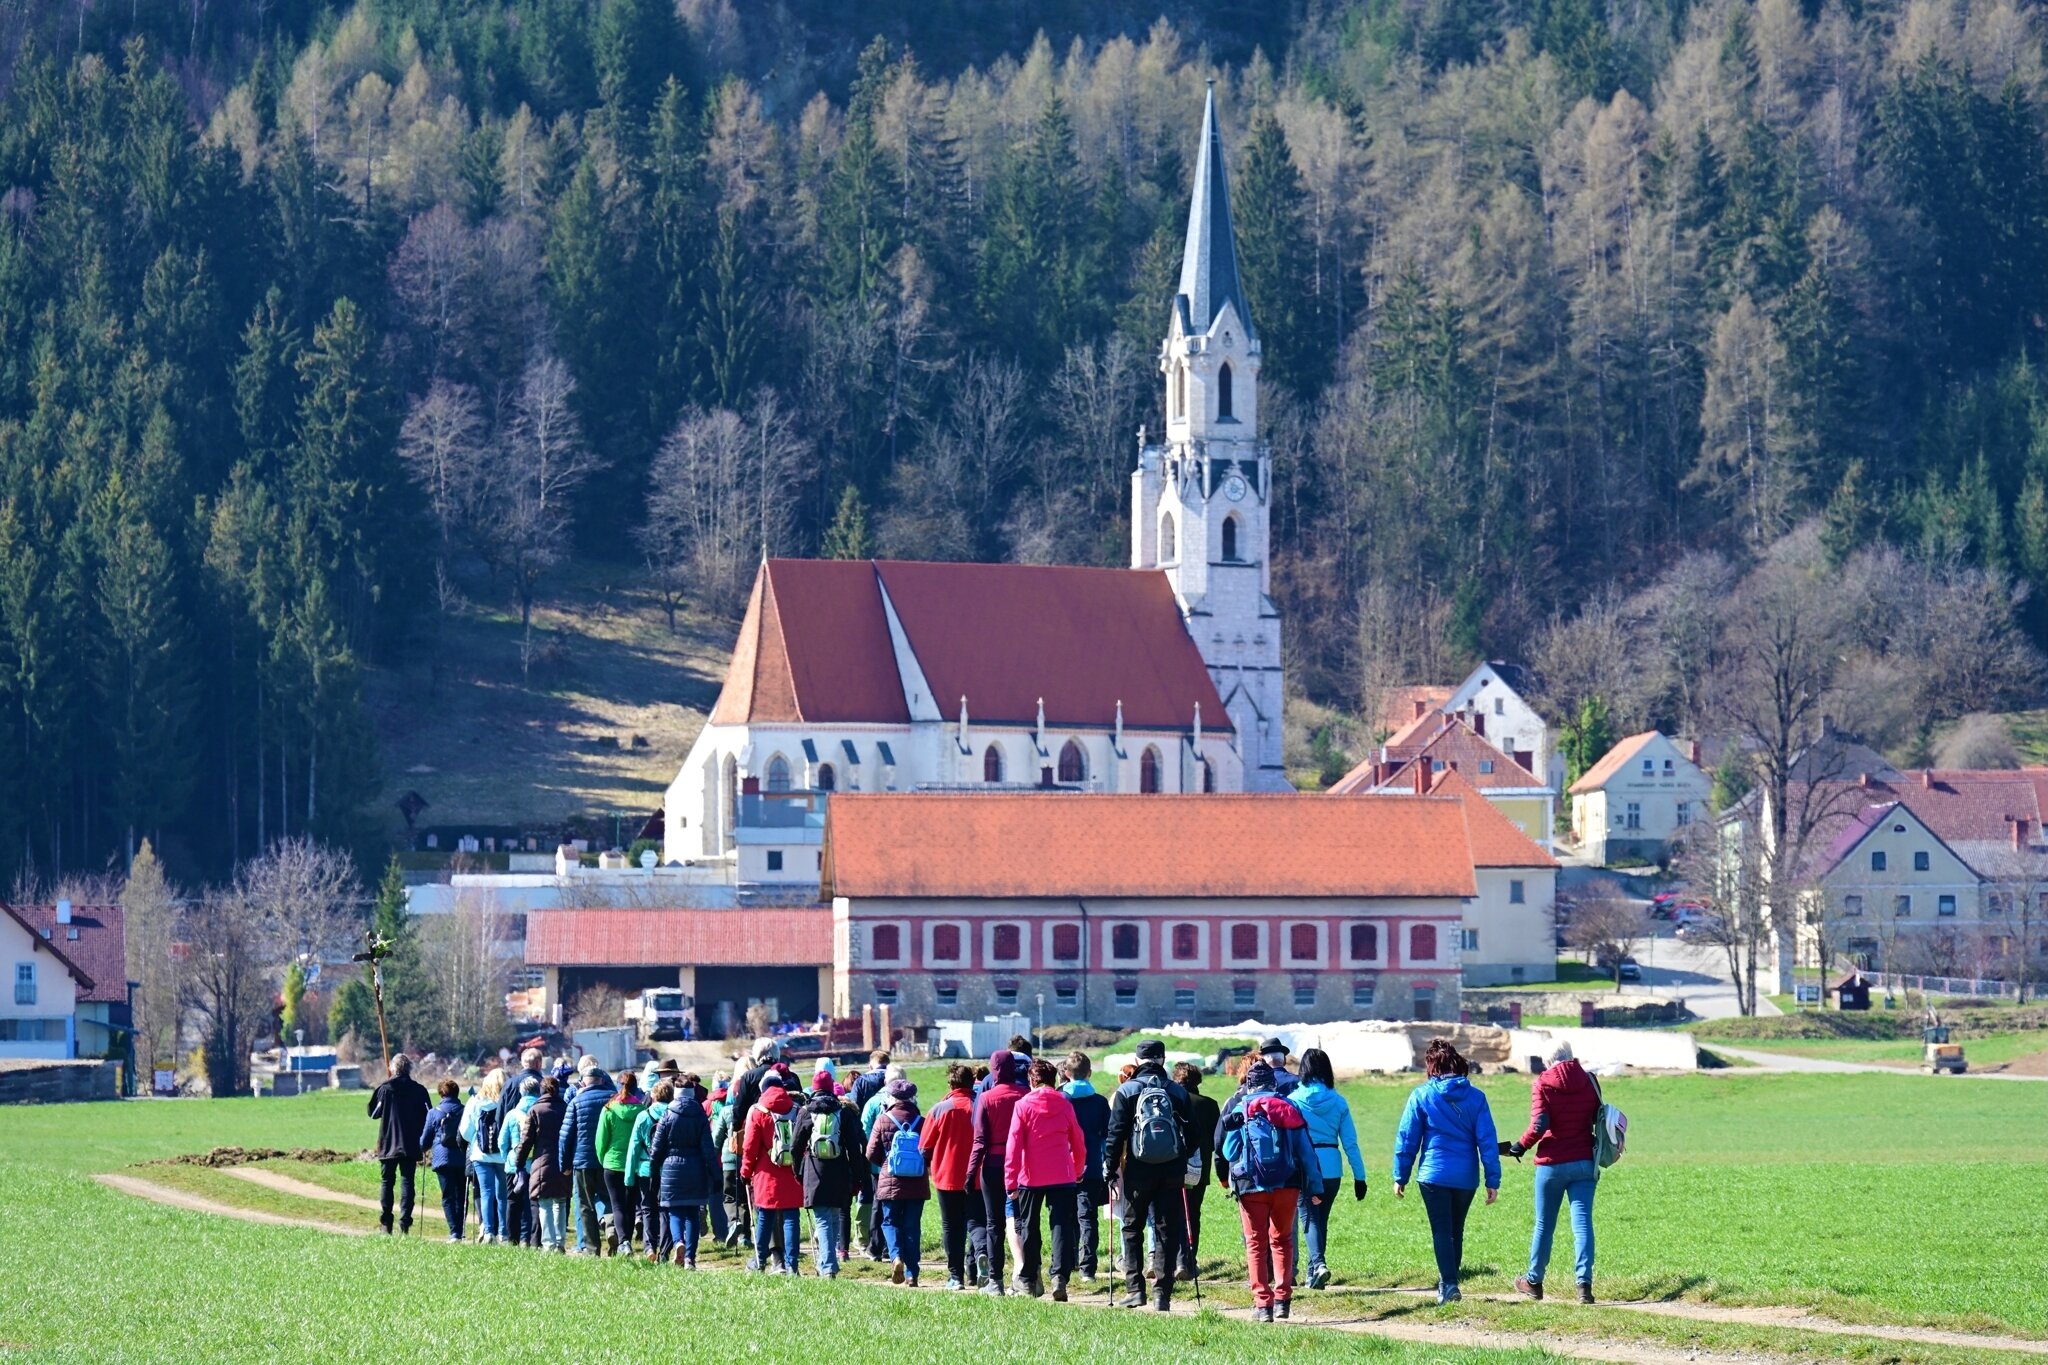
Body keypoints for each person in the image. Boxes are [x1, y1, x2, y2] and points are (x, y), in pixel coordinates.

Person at [1393, 1040, 1501, 1304]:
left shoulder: (1421, 1095)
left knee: (1442, 1230)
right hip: (1465, 1176)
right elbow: (1487, 1140)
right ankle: (1448, 1283)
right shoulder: (1477, 1097)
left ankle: (1449, 1284)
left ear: (1432, 1067)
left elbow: (1407, 1138)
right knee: (1457, 1229)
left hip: (1433, 1175)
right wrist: (1492, 1179)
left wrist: (1401, 1175)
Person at [1217, 1059, 1321, 1321]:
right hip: (1287, 1184)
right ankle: (1283, 1299)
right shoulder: (1289, 1106)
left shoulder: (1242, 1107)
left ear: (1249, 1084)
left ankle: (1263, 1305)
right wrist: (1316, 1186)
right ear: (1273, 1083)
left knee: (1255, 1244)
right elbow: (1306, 1152)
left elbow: (1229, 1151)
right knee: (1282, 1240)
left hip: (1251, 1186)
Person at [1510, 1041, 1601, 1305]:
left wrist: (1521, 1146)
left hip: (1551, 1163)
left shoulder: (1542, 1083)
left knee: (1543, 1225)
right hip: (1584, 1160)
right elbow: (1597, 1116)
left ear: (1549, 1060)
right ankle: (1584, 1286)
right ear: (1571, 1056)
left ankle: (1534, 1281)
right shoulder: (1590, 1080)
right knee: (1582, 1225)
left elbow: (1539, 1124)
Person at [1105, 1040, 1192, 1312]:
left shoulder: (1126, 1090)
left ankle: (1134, 1290)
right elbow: (1194, 1133)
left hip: (1138, 1169)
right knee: (1167, 1229)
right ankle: (1162, 1295)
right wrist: (1180, 1157)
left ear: (1137, 1059)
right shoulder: (1177, 1091)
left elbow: (1115, 1134)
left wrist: (1110, 1167)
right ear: (1163, 1059)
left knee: (1132, 1227)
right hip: (1171, 1169)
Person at [1006, 1057, 1086, 1301]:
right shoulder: (1064, 1103)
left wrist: (1010, 1181)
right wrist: (1078, 1169)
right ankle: (1059, 1277)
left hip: (1031, 1176)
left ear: (1032, 1080)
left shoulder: (1023, 1105)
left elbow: (1014, 1145)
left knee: (1030, 1226)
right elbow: (1078, 1140)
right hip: (1062, 1174)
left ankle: (1030, 1277)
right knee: (1060, 1225)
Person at [1290, 1047, 1367, 1289]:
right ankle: (1314, 1275)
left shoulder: (1293, 1101)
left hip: (1305, 1166)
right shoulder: (1339, 1101)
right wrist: (1360, 1177)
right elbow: (1351, 1143)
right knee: (1321, 1219)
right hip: (1332, 1167)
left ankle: (1319, 1264)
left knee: (1309, 1218)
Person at [966, 1049, 1028, 1294]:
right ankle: (1027, 1275)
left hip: (993, 1163)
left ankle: (996, 1280)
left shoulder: (987, 1098)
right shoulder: (1025, 1094)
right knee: (1023, 1221)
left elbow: (979, 1140)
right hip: (1022, 1165)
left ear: (993, 1070)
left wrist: (971, 1173)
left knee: (994, 1224)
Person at [920, 1062, 983, 1290]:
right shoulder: (980, 1106)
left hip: (946, 1176)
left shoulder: (938, 1109)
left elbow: (924, 1146)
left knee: (951, 1226)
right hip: (977, 1176)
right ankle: (978, 1266)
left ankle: (955, 1275)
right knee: (977, 1222)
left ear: (950, 1083)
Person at [649, 1075, 720, 1268]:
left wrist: (653, 1172)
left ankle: (678, 1241)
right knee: (692, 1214)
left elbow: (657, 1148)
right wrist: (715, 1174)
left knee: (675, 1212)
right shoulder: (699, 1114)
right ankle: (690, 1257)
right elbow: (708, 1148)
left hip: (672, 1169)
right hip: (696, 1169)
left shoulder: (668, 1114)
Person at [795, 1073, 861, 1277]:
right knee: (833, 1216)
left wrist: (798, 1172)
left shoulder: (806, 1111)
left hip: (814, 1169)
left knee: (823, 1218)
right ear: (832, 1089)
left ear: (814, 1089)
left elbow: (796, 1146)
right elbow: (854, 1147)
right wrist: (857, 1175)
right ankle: (828, 1261)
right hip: (839, 1169)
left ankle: (828, 1265)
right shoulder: (843, 1111)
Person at [865, 1078, 928, 1286]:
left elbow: (870, 1152)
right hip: (917, 1183)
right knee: (911, 1226)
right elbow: (929, 1151)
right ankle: (912, 1274)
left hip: (890, 1181)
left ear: (891, 1097)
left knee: (890, 1222)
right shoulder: (922, 1120)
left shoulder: (883, 1120)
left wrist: (885, 1164)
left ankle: (896, 1257)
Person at [738, 1072, 805, 1273]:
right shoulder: (796, 1108)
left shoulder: (758, 1111)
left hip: (766, 1173)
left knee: (765, 1217)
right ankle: (792, 1265)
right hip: (791, 1171)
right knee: (791, 1217)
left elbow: (749, 1147)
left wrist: (745, 1171)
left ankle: (760, 1262)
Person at [1060, 1052, 1111, 1283]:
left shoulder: (1060, 1098)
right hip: (1091, 1166)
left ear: (1066, 1073)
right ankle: (1088, 1269)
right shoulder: (1100, 1102)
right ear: (1089, 1073)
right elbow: (1107, 1135)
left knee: (1063, 1215)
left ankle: (1066, 1260)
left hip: (1061, 1167)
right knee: (1088, 1218)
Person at [559, 1058, 618, 1255]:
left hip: (582, 1160)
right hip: (608, 1159)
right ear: (601, 1080)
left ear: (583, 1082)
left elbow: (566, 1135)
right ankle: (611, 1228)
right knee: (610, 1198)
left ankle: (592, 1248)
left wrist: (564, 1163)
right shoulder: (613, 1098)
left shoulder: (576, 1101)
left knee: (585, 1205)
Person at [367, 1054, 430, 1236]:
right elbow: (429, 1116)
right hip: (411, 1144)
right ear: (409, 1069)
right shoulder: (419, 1090)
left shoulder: (385, 1089)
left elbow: (373, 1114)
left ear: (393, 1069)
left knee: (387, 1182)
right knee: (407, 1182)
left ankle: (386, 1222)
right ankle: (405, 1222)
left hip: (388, 1144)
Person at [1171, 1061, 1220, 1284]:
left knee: (1172, 1214)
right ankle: (1189, 1261)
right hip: (1199, 1168)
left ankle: (1173, 1260)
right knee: (1193, 1214)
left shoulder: (1170, 1101)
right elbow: (1215, 1141)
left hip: (1170, 1165)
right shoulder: (1209, 1105)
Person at [594, 1072, 648, 1257]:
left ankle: (624, 1241)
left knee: (616, 1205)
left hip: (612, 1163)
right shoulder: (641, 1110)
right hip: (633, 1165)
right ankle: (629, 1240)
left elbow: (601, 1140)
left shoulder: (608, 1109)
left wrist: (603, 1160)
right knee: (631, 1204)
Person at [859, 1062, 909, 1260]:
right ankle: (894, 1247)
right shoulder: (910, 1106)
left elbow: (864, 1132)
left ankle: (876, 1246)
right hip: (904, 1163)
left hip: (878, 1163)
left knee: (878, 1204)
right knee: (901, 1205)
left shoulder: (872, 1102)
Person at [519, 1076, 571, 1252]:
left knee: (546, 1203)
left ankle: (549, 1244)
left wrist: (519, 1162)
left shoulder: (535, 1110)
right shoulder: (566, 1108)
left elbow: (526, 1141)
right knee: (561, 1202)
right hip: (563, 1162)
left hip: (542, 1161)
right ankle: (560, 1242)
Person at [458, 1069, 507, 1244]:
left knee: (486, 1193)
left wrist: (474, 1140)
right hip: (502, 1155)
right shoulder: (506, 1101)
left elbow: (464, 1131)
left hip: (481, 1154)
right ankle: (504, 1233)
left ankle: (488, 1231)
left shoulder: (475, 1101)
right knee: (502, 1194)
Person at [626, 1078, 671, 1261]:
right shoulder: (672, 1114)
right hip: (668, 1169)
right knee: (665, 1210)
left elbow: (634, 1147)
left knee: (647, 1209)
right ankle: (665, 1251)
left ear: (653, 1096)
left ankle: (649, 1246)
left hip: (645, 1169)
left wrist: (629, 1177)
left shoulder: (643, 1116)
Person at [421, 1078, 469, 1242]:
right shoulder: (465, 1111)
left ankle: (454, 1232)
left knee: (448, 1196)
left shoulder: (434, 1112)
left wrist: (423, 1148)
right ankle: (461, 1230)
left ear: (441, 1093)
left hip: (442, 1159)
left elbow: (424, 1141)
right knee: (462, 1196)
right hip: (462, 1159)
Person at [710, 1081, 750, 1252]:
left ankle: (733, 1222)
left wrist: (711, 1158)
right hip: (746, 1159)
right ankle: (745, 1236)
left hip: (728, 1161)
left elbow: (716, 1139)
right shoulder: (750, 1111)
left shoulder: (726, 1112)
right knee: (744, 1199)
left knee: (729, 1197)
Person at [500, 1075, 540, 1247]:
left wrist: (507, 1158)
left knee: (513, 1202)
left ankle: (513, 1239)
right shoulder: (541, 1110)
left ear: (521, 1092)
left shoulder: (512, 1114)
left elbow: (502, 1141)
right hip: (537, 1164)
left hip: (515, 1164)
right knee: (533, 1204)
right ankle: (530, 1239)